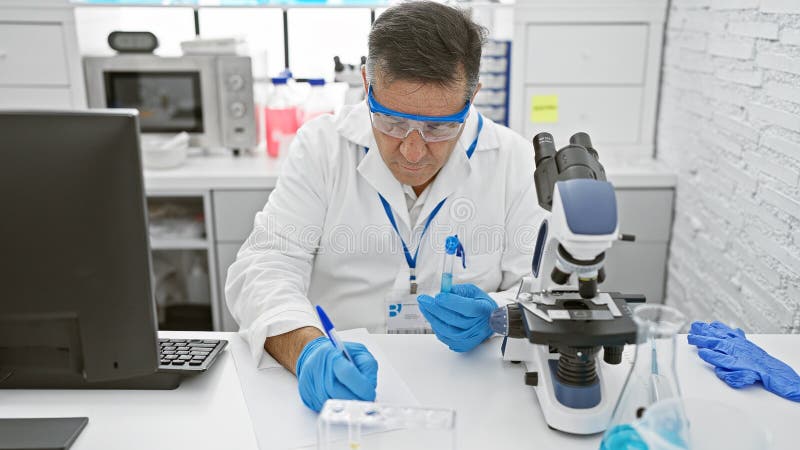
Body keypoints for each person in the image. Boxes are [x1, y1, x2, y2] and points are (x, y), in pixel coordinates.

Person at [226, 1, 543, 412]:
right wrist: (307, 351)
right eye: (391, 122)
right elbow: (265, 266)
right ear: (366, 84)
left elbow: (539, 292)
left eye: (439, 127)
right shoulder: (323, 148)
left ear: (472, 96)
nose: (413, 151)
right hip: (342, 384)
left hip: (473, 392)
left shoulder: (512, 160)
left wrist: (497, 315)